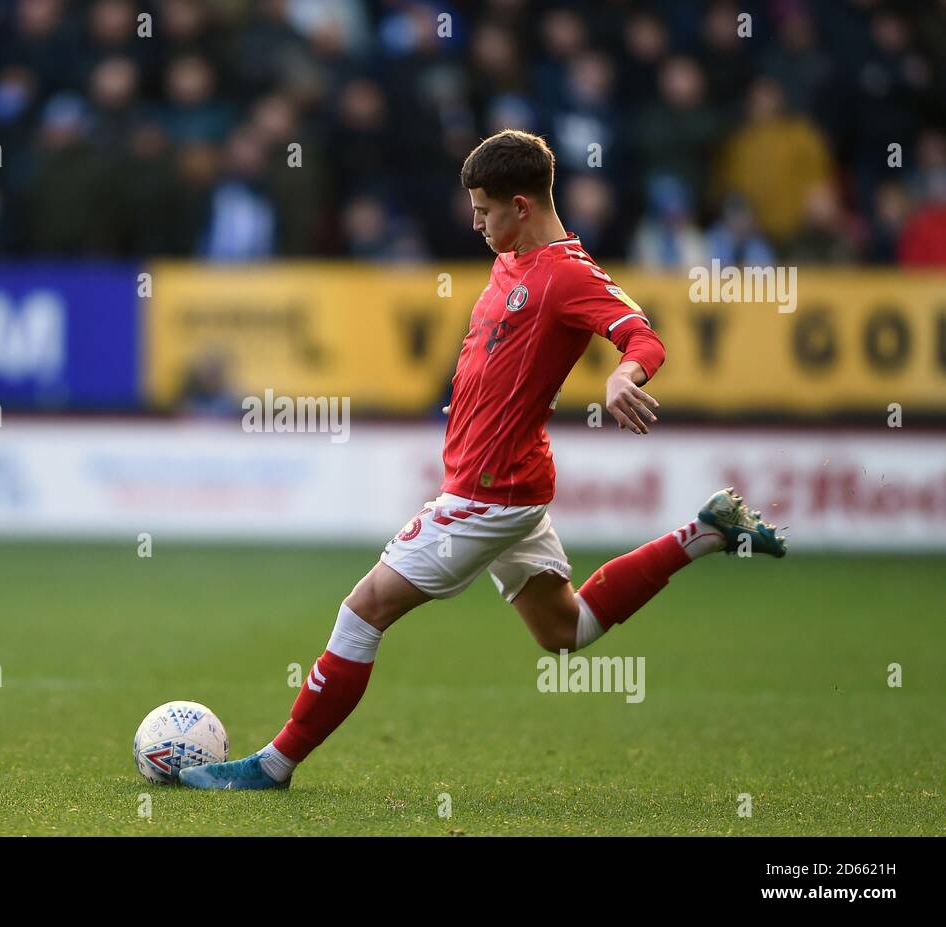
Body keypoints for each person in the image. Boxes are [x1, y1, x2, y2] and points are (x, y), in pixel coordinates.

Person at [180, 129, 786, 791]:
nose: (474, 221)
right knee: (565, 631)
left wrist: (624, 376)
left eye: (483, 209)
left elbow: (642, 335)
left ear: (521, 206)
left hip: (489, 495)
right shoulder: (512, 258)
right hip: (512, 481)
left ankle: (273, 765)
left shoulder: (565, 273)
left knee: (362, 611)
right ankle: (705, 532)